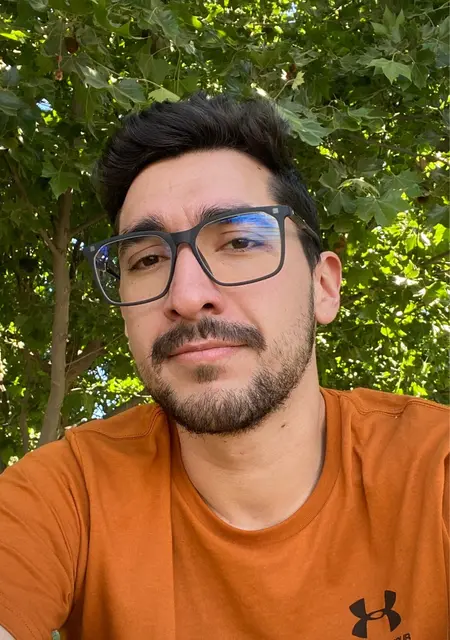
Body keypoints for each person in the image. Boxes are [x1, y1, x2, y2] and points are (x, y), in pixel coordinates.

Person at [0, 93, 448, 640]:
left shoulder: (434, 469)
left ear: (323, 287)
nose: (187, 296)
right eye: (147, 259)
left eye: (239, 241)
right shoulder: (69, 493)